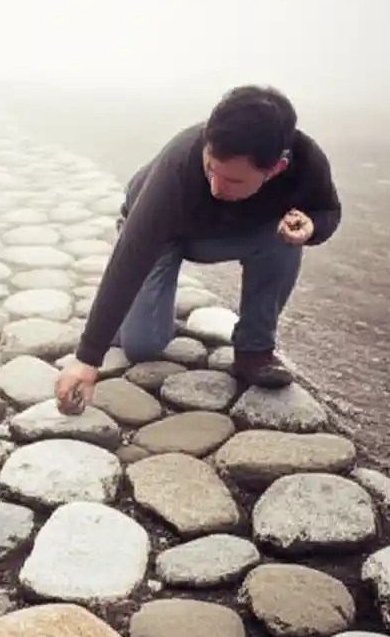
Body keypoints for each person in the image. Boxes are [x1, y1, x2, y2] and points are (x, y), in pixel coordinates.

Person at [55, 84, 341, 414]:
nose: (217, 188)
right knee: (142, 346)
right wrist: (87, 359)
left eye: (234, 181)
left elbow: (329, 210)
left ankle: (254, 350)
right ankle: (149, 305)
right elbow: (131, 258)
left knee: (285, 236)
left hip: (233, 232)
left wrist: (312, 226)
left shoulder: (306, 161)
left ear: (275, 168)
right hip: (163, 235)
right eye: (210, 169)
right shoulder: (178, 165)